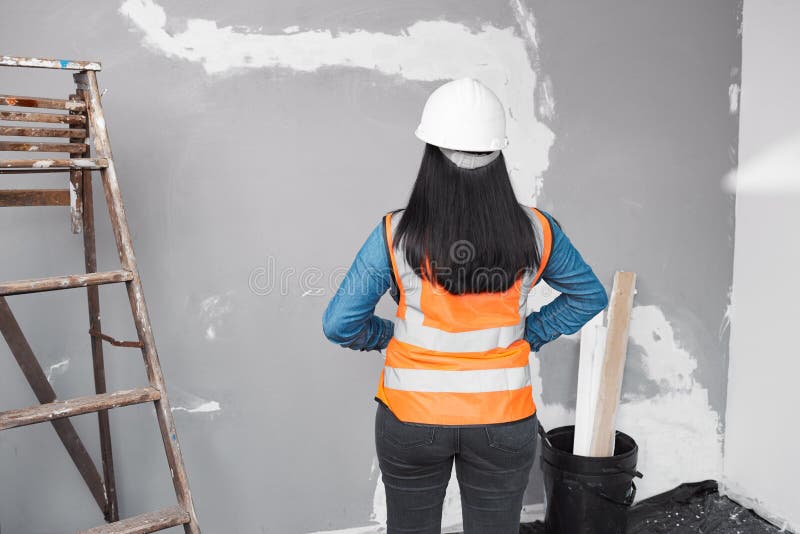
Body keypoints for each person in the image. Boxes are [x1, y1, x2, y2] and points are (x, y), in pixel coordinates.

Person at [322, 78, 608, 534]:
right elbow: (588, 296)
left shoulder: (395, 234)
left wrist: (392, 337)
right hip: (502, 421)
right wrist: (530, 333)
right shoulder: (537, 230)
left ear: (431, 153)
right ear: (498, 152)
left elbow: (339, 324)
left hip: (411, 418)